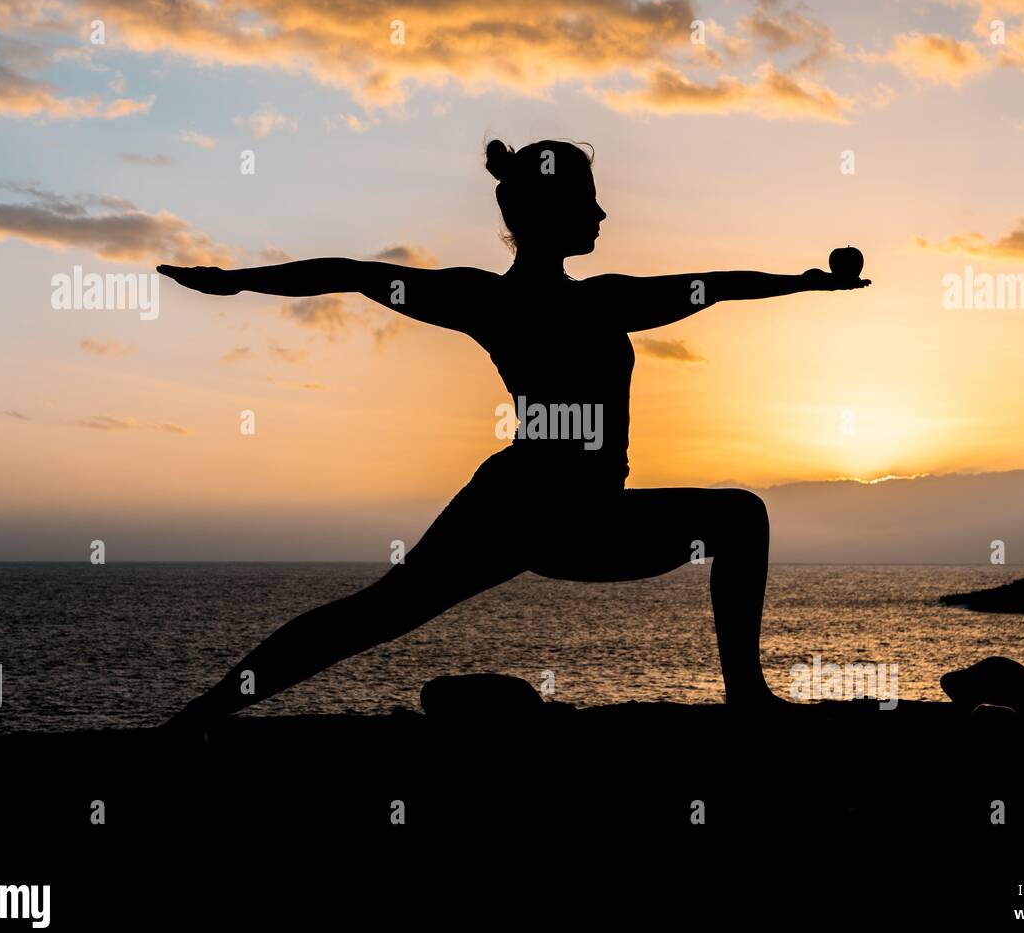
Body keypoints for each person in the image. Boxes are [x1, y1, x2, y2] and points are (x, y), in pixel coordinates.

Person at [158, 138, 870, 726]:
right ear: (548, 211)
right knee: (738, 516)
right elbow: (355, 274)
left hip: (546, 508)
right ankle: (745, 697)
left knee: (374, 614)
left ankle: (205, 713)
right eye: (586, 200)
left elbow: (712, 284)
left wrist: (808, 282)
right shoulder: (559, 300)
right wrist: (237, 279)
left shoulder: (540, 300)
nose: (601, 211)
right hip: (542, 508)